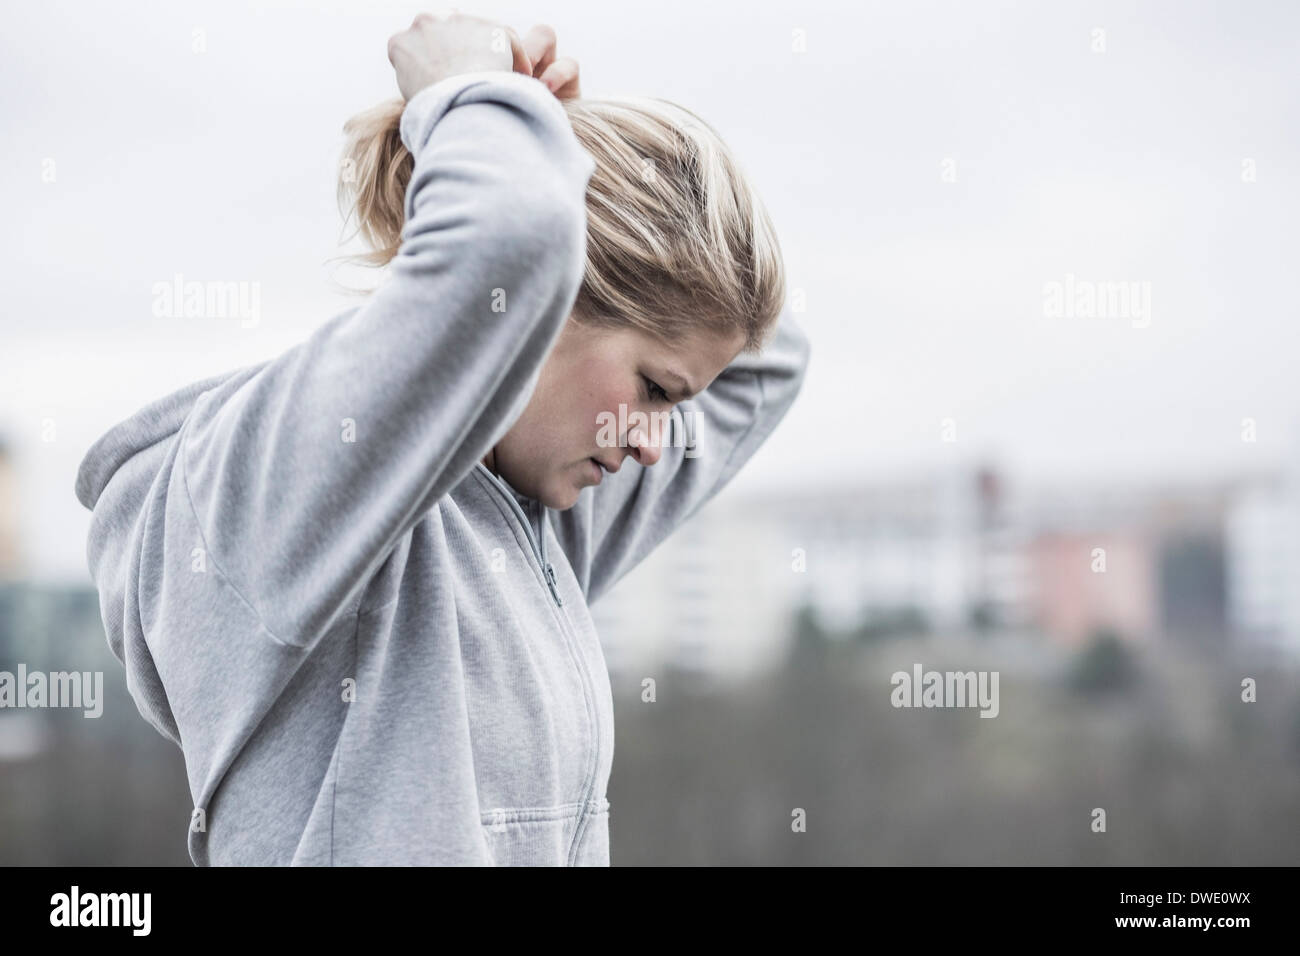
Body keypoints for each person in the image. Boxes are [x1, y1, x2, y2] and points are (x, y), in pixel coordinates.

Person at [74, 12, 810, 865]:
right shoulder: (279, 494)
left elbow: (770, 356)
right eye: (653, 390)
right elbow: (513, 240)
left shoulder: (548, 525)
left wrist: (552, 150)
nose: (654, 445)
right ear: (542, 302)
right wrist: (479, 108)